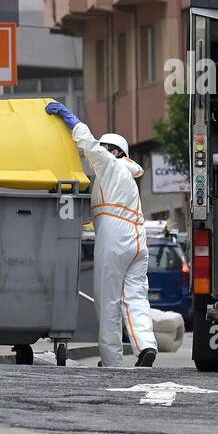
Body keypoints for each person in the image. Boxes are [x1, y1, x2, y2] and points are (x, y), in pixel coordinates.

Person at [46, 100, 157, 367]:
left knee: (107, 301)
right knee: (135, 297)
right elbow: (104, 212)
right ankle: (146, 345)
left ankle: (111, 360)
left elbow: (89, 144)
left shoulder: (111, 165)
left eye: (107, 149)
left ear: (115, 151)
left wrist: (68, 117)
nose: (99, 155)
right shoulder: (126, 178)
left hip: (115, 242)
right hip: (138, 243)